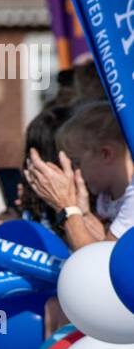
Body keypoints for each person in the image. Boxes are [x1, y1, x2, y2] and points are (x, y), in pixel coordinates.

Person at [23, 99, 134, 249]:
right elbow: (103, 245)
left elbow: (104, 259)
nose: (75, 171)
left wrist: (67, 207)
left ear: (105, 154)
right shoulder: (105, 198)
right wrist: (83, 214)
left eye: (77, 162)